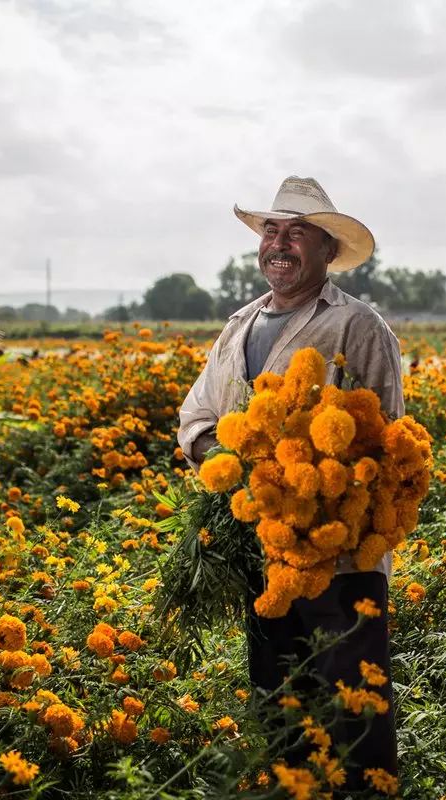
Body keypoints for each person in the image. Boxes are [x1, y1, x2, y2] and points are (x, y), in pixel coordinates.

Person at [177, 176, 403, 790]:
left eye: (297, 232)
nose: (280, 244)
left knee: (353, 704)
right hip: (257, 547)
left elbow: (389, 438)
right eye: (272, 231)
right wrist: (238, 460)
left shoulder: (356, 326)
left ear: (328, 250)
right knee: (279, 702)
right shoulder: (238, 326)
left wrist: (317, 484)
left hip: (342, 556)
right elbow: (196, 416)